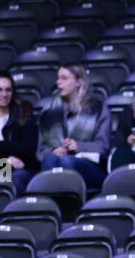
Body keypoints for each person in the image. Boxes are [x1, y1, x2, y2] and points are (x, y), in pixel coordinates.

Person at [36, 64, 110, 193]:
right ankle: (49, 205)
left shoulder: (98, 108)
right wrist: (54, 150)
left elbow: (103, 147)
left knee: (67, 161)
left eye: (64, 78)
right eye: (58, 78)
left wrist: (78, 146)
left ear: (79, 82)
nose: (58, 82)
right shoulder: (49, 110)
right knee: (50, 159)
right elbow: (40, 151)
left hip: (91, 166)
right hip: (56, 160)